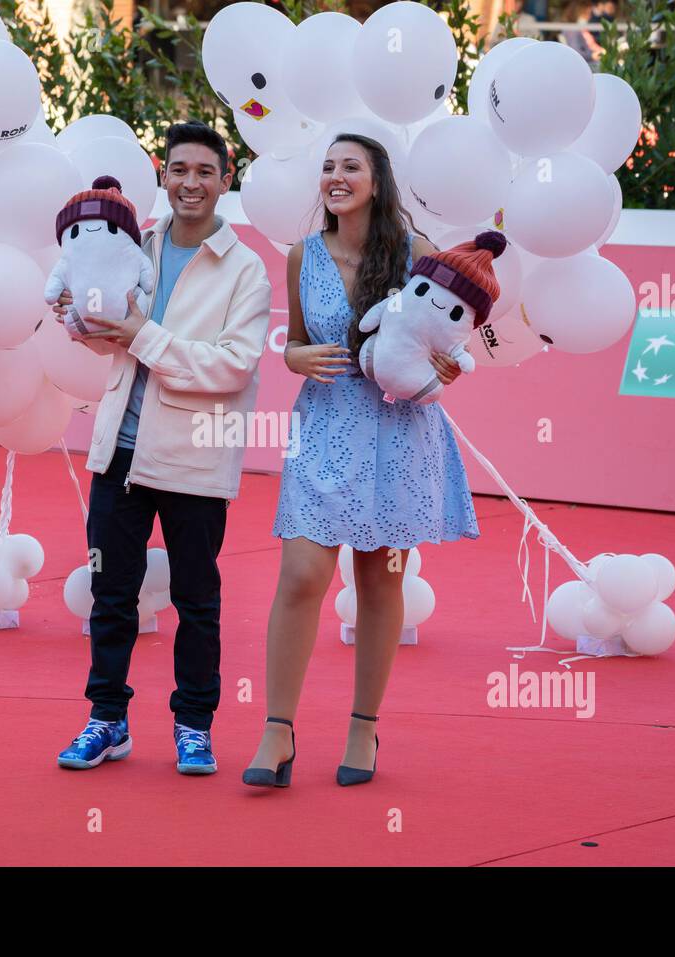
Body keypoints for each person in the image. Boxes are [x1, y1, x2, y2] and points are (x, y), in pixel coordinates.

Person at [242, 133, 493, 789]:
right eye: (327, 167)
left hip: (401, 430)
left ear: (377, 180)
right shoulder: (303, 256)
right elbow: (294, 343)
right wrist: (297, 358)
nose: (334, 176)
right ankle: (277, 729)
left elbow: (450, 342)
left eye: (349, 166)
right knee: (300, 573)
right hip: (327, 423)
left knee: (381, 582)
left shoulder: (421, 255)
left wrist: (445, 371)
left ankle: (363, 725)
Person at [52, 121, 272, 775]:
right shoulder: (135, 243)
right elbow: (116, 338)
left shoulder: (246, 269)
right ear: (162, 175)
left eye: (205, 171)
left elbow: (230, 366)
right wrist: (79, 319)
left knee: (197, 601)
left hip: (195, 459)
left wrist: (142, 334)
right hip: (118, 450)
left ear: (225, 180)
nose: (190, 182)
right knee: (110, 594)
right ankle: (106, 720)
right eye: (179, 170)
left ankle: (194, 725)